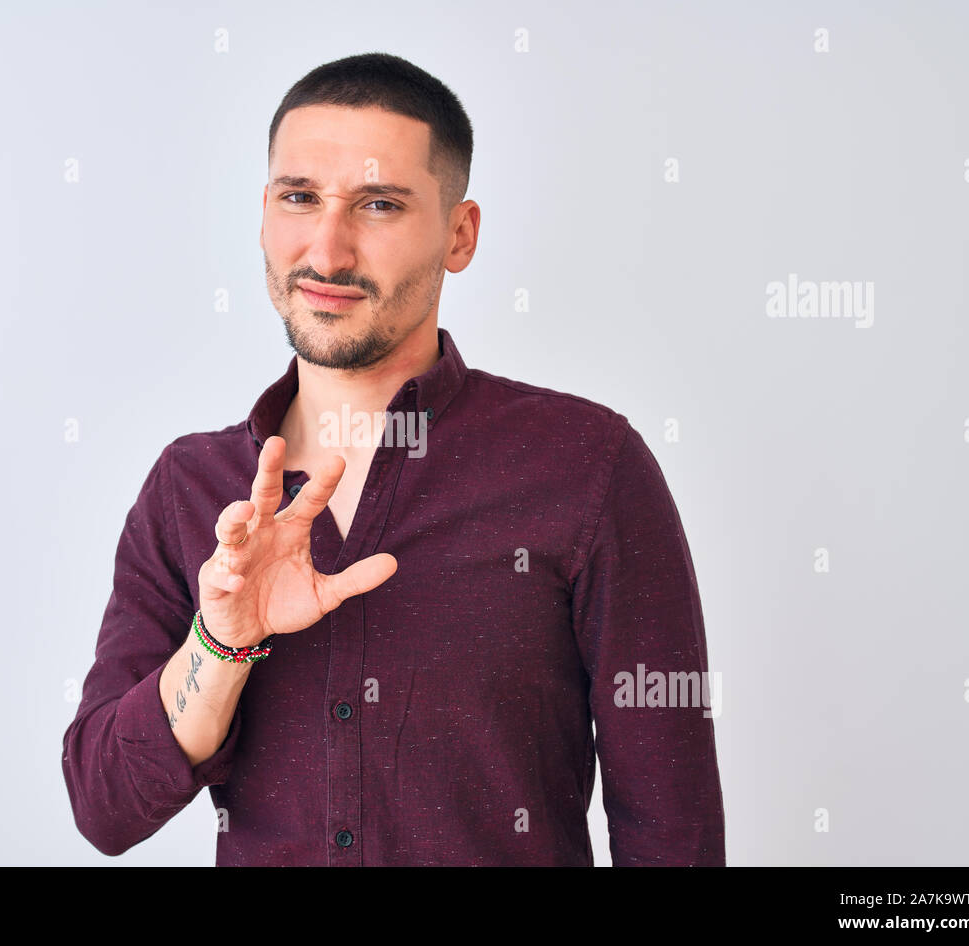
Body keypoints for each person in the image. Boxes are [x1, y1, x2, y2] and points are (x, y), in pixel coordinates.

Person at [61, 51, 725, 865]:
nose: (328, 252)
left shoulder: (589, 467)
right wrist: (221, 641)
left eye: (378, 204)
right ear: (263, 212)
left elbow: (673, 829)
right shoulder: (188, 488)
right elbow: (103, 807)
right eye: (299, 198)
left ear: (460, 234)